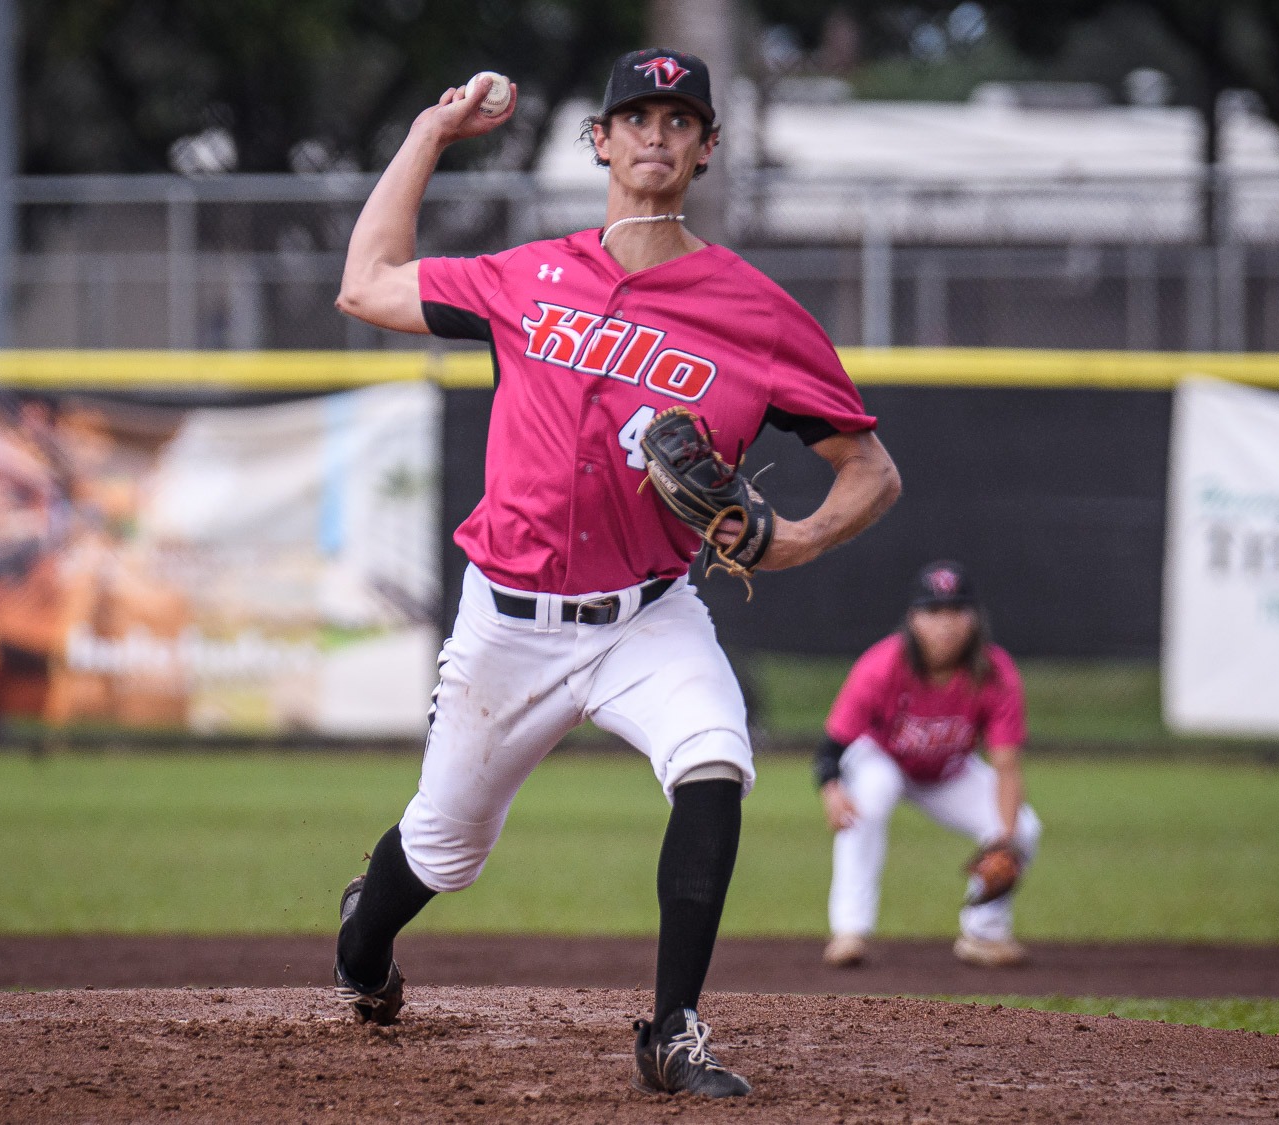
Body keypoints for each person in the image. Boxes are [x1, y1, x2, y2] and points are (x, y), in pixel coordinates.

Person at [329, 48, 902, 1099]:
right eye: (634, 116)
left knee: (715, 757)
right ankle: (361, 949)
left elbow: (868, 470)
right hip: (507, 621)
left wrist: (796, 540)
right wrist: (429, 135)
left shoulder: (755, 313)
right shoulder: (523, 275)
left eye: (678, 120)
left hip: (649, 613)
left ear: (705, 150)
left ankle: (671, 1030)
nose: (655, 134)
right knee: (443, 847)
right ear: (598, 141)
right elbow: (364, 284)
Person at [815, 560, 1041, 969]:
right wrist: (832, 790)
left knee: (1023, 828)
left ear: (974, 618)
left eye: (957, 611)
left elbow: (1007, 765)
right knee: (872, 795)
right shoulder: (882, 664)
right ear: (913, 619)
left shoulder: (994, 672)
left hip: (947, 771)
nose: (946, 624)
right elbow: (831, 747)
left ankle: (984, 933)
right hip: (881, 759)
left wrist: (1005, 840)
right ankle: (849, 930)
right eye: (933, 612)